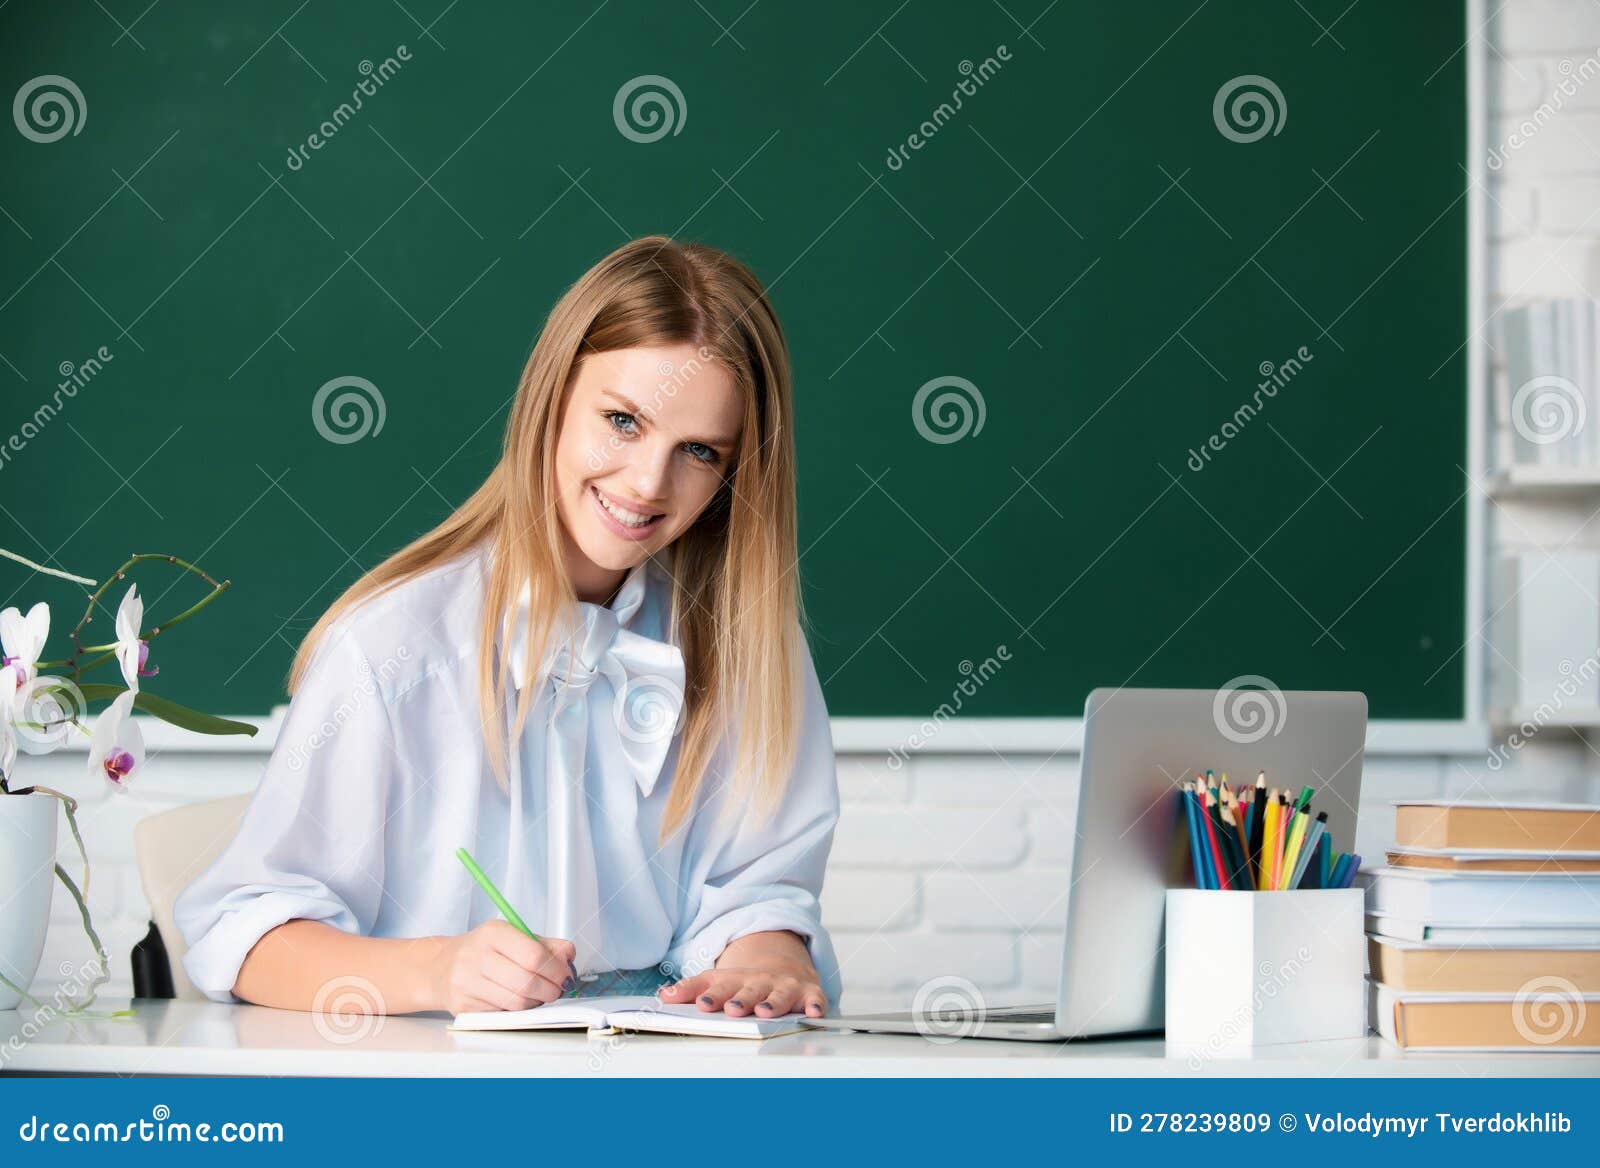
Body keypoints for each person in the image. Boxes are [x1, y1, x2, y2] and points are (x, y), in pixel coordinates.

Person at [175, 236, 840, 1021]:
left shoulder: (748, 649)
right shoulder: (393, 651)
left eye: (697, 450)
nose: (648, 483)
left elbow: (759, 893)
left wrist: (767, 955)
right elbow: (245, 934)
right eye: (623, 421)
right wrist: (437, 971)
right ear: (552, 398)